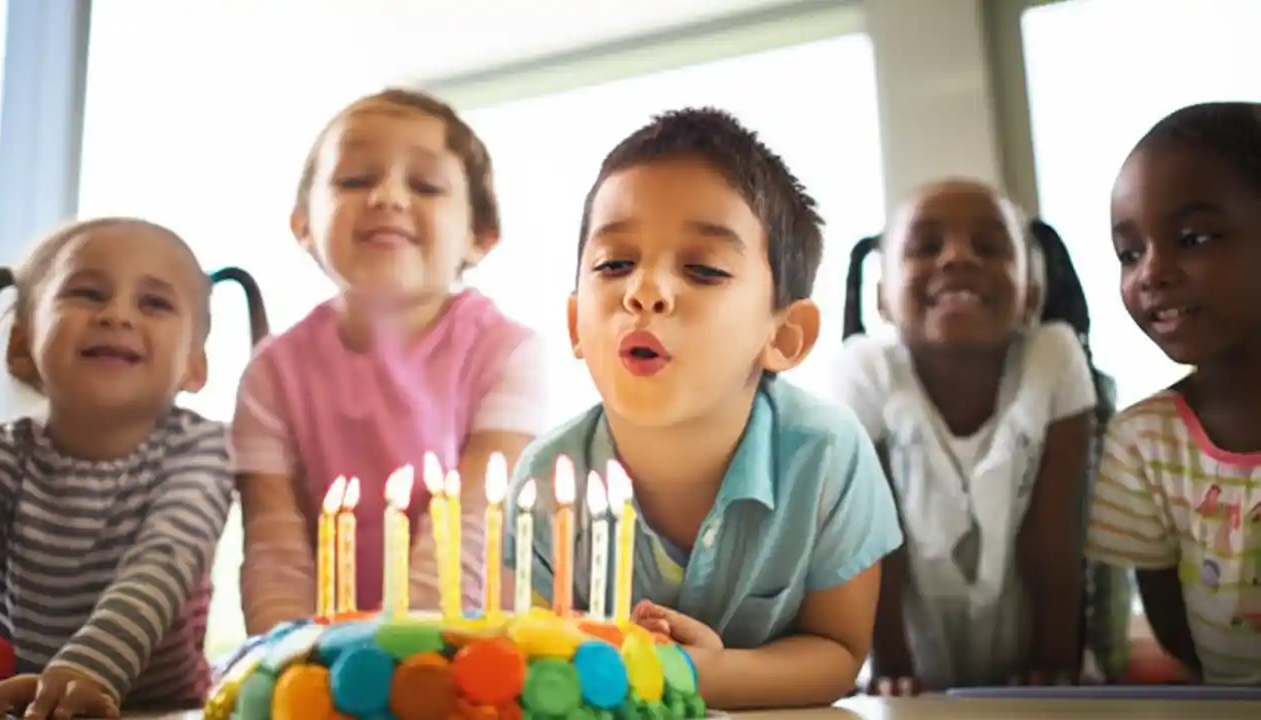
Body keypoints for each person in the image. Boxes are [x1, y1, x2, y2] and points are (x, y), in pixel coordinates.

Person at [504, 108, 902, 710]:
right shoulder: (545, 482)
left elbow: (839, 654)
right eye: (615, 263)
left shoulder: (827, 457)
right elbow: (532, 666)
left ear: (785, 336)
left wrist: (693, 674)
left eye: (704, 269)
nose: (645, 290)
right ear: (574, 323)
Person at [232, 89, 550, 634]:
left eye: (425, 186)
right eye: (354, 180)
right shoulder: (270, 374)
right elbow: (273, 550)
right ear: (302, 225)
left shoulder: (507, 352)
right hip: (327, 665)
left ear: (480, 236)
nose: (388, 196)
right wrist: (283, 659)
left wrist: (408, 650)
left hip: (471, 653)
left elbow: (472, 526)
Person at [835, 179, 1098, 692]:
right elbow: (869, 545)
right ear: (882, 299)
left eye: (990, 246)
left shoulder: (1055, 357)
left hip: (1029, 660)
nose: (956, 257)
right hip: (904, 659)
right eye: (925, 247)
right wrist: (893, 671)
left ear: (1032, 296)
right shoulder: (862, 370)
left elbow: (1056, 535)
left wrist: (1053, 662)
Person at [0, 218, 234, 718]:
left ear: (194, 365)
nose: (116, 314)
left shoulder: (203, 450)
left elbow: (165, 560)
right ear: (19, 347)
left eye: (154, 303)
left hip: (161, 709)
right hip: (12, 706)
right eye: (87, 293)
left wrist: (88, 670)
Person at [1085, 101, 1261, 684]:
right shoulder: (1144, 442)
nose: (1150, 273)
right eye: (1129, 253)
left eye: (1193, 238)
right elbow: (1176, 635)